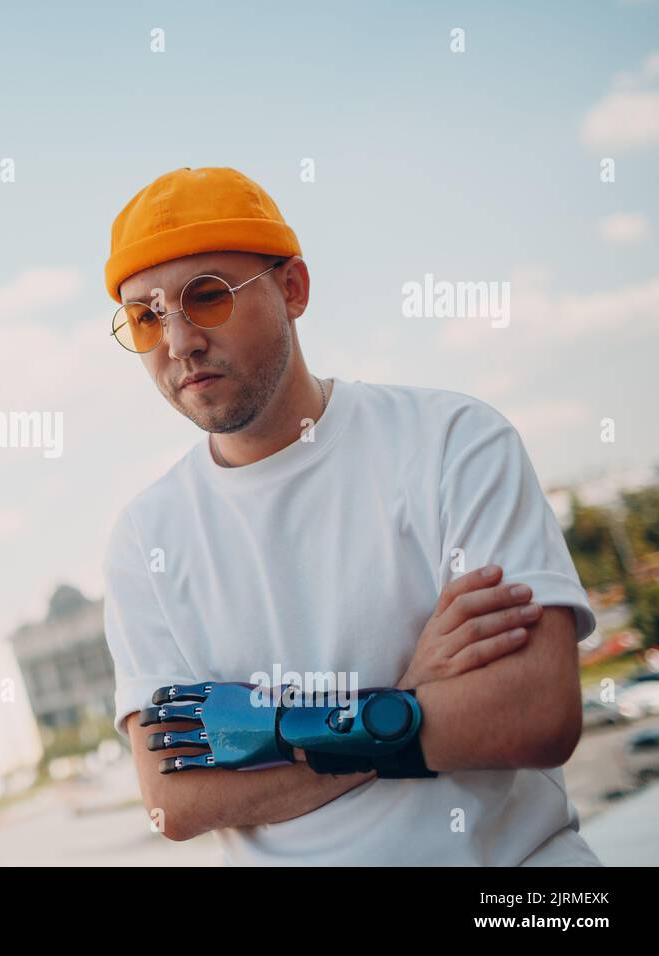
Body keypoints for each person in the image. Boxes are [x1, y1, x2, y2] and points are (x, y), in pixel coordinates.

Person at [100, 166, 600, 865]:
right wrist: (401, 702)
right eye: (147, 316)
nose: (178, 341)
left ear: (293, 288)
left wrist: (269, 734)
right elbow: (174, 803)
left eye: (207, 297)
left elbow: (536, 715)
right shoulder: (144, 540)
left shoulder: (452, 440)